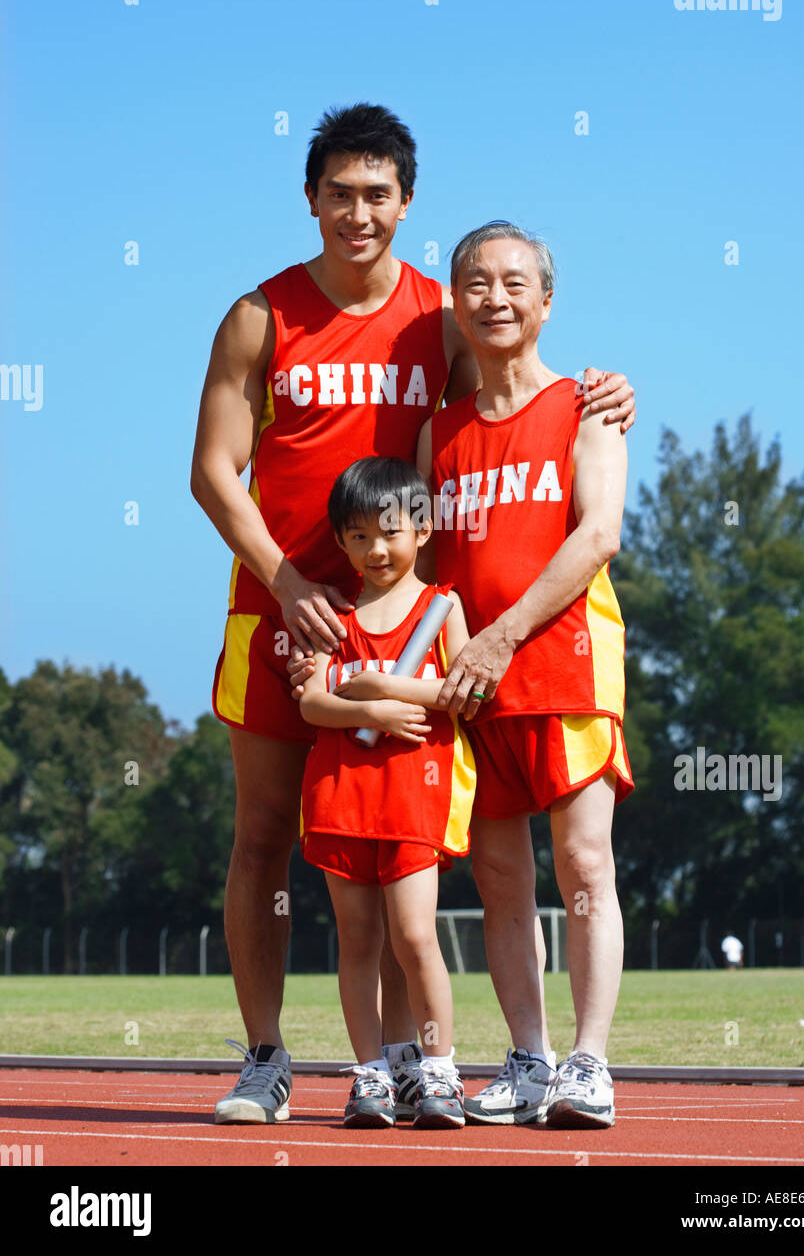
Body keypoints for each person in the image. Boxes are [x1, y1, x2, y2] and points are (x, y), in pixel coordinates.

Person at [190, 102, 636, 1124]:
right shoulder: (259, 315)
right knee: (262, 835)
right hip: (280, 612)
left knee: (396, 851)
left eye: (376, 195)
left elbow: (515, 381)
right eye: (338, 194)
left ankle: (401, 1063)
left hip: (404, 629)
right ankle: (264, 1055)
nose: (357, 212)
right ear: (309, 199)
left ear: (405, 204)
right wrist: (286, 580)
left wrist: (603, 392)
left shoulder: (441, 314)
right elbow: (213, 473)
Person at [416, 221, 634, 1130]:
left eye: (514, 283)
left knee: (584, 863)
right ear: (455, 305)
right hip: (473, 684)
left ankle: (591, 1063)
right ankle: (529, 1060)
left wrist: (502, 635)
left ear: (546, 301)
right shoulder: (442, 430)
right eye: (475, 283)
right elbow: (424, 568)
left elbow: (598, 536)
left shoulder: (590, 407)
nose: (495, 298)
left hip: (567, 667)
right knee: (500, 882)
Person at [298, 456, 475, 1127]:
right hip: (340, 798)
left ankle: (438, 1070)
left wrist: (377, 686)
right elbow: (313, 703)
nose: (376, 549)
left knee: (414, 936)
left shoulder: (442, 606)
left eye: (391, 531)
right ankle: (370, 1072)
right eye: (359, 536)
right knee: (358, 941)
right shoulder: (333, 615)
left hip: (413, 800)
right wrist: (367, 713)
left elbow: (460, 694)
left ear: (423, 529)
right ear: (342, 540)